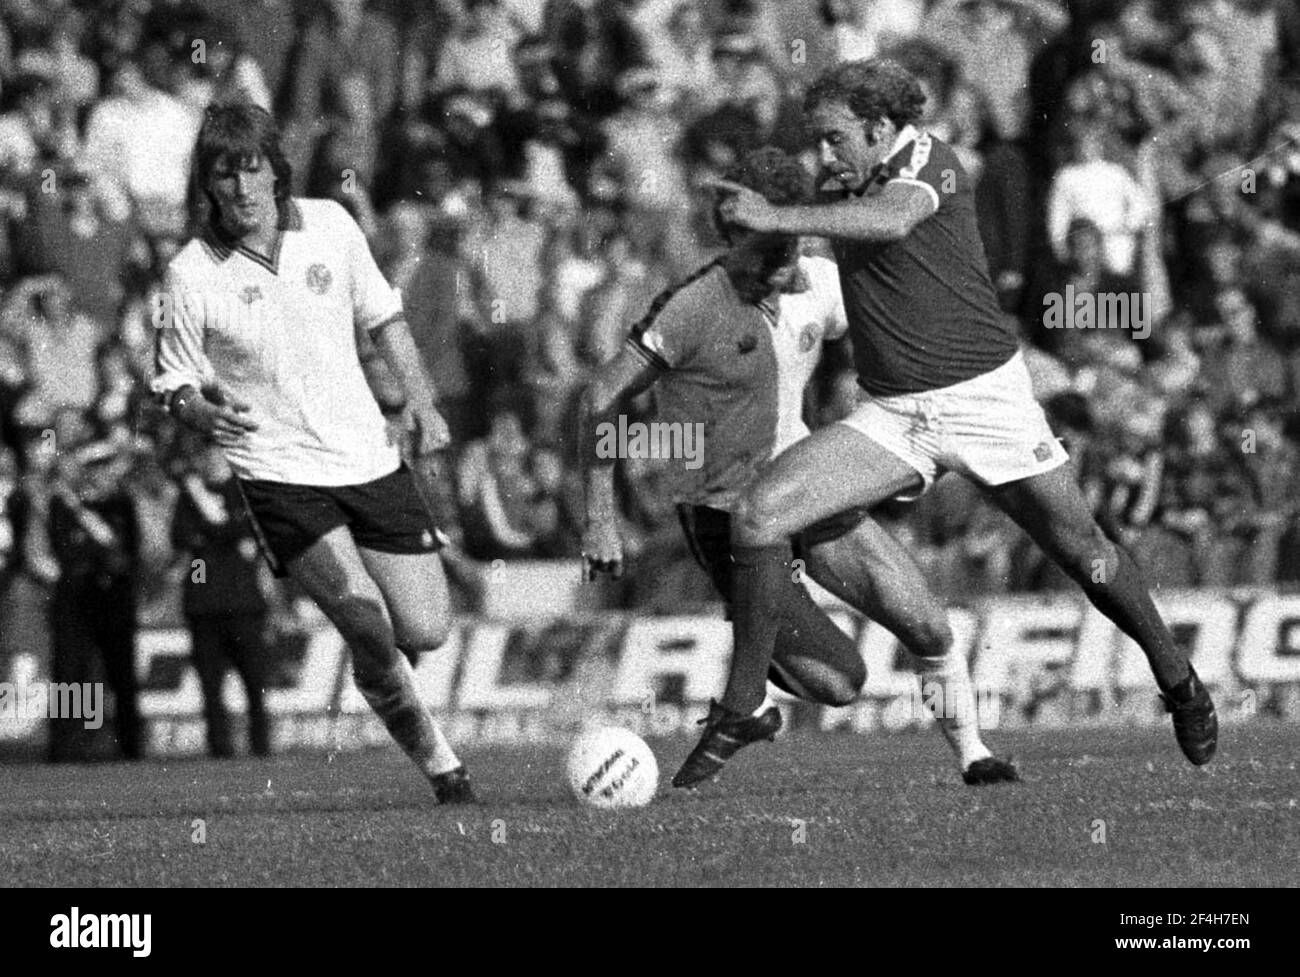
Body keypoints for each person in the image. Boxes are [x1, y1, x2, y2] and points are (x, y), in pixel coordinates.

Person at [699, 59, 1217, 786]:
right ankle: (742, 704)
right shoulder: (837, 189)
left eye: (835, 138)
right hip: (892, 415)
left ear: (880, 129)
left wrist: (779, 217)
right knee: (759, 513)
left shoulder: (930, 162)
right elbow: (797, 254)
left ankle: (1179, 680)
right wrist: (743, 244)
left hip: (985, 400)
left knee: (1085, 552)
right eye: (817, 142)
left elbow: (894, 218)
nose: (824, 155)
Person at [579, 146, 1016, 788]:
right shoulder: (691, 307)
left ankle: (975, 758)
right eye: (769, 256)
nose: (786, 272)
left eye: (791, 249)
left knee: (926, 621)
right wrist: (599, 517)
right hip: (724, 512)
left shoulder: (819, 283)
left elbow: (897, 331)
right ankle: (755, 671)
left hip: (807, 484)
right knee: (840, 684)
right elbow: (600, 396)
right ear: (734, 238)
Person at [151, 101, 475, 803]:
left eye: (250, 170)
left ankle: (375, 667)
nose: (239, 189)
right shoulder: (191, 271)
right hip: (277, 474)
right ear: (206, 184)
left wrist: (421, 400)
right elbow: (171, 379)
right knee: (365, 619)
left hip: (367, 456)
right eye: (222, 175)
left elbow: (383, 316)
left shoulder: (330, 224)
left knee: (427, 626)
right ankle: (445, 770)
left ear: (275, 171)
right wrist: (198, 409)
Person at [171, 442, 271, 758]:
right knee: (210, 686)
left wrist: (217, 535)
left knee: (255, 683)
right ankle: (220, 747)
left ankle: (261, 745)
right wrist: (227, 536)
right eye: (205, 453)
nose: (211, 458)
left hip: (243, 602)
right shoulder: (190, 495)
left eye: (216, 452)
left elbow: (250, 532)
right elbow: (185, 538)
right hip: (205, 603)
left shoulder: (242, 492)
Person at [46, 440, 142, 762]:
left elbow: (129, 554)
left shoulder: (121, 505)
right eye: (95, 468)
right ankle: (64, 749)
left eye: (106, 466)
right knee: (70, 678)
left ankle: (130, 748)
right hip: (76, 602)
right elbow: (66, 551)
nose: (101, 474)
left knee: (122, 678)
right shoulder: (65, 506)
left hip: (114, 602)